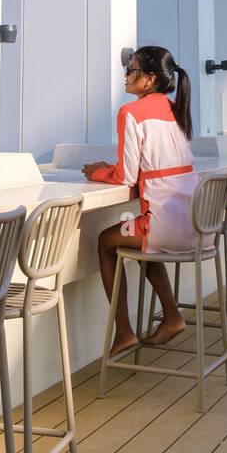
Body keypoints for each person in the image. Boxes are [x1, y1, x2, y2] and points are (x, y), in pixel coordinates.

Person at [83, 46, 197, 359]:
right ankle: (171, 316)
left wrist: (97, 172)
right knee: (143, 242)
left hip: (165, 225)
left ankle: (124, 332)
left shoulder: (130, 113)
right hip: (197, 224)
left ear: (147, 80)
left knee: (107, 241)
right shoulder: (177, 108)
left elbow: (125, 177)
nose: (125, 74)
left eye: (131, 69)